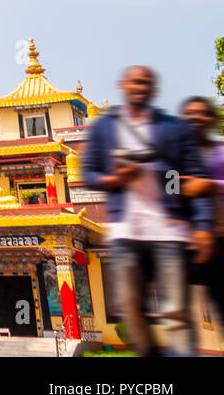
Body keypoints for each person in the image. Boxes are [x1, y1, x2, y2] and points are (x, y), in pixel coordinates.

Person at [82, 66, 214, 356]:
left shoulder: (172, 127)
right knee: (130, 305)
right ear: (123, 85)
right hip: (126, 232)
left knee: (176, 310)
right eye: (135, 81)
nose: (141, 86)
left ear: (154, 90)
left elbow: (195, 176)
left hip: (169, 230)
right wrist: (115, 180)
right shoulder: (105, 127)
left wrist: (202, 224)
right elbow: (89, 173)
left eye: (147, 82)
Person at [179, 96, 224, 340]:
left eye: (202, 113)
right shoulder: (177, 158)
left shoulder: (221, 152)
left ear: (211, 120)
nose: (196, 118)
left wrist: (208, 184)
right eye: (190, 114)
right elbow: (170, 189)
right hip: (192, 243)